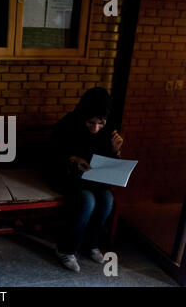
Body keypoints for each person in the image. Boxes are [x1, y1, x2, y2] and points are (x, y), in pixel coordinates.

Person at [47, 87, 124, 272]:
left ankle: (91, 245)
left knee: (107, 200)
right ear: (83, 115)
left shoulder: (109, 130)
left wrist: (116, 151)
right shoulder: (67, 125)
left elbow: (108, 161)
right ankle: (66, 249)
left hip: (94, 178)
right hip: (66, 175)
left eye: (101, 123)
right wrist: (72, 159)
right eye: (91, 123)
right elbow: (52, 157)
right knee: (87, 201)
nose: (96, 128)